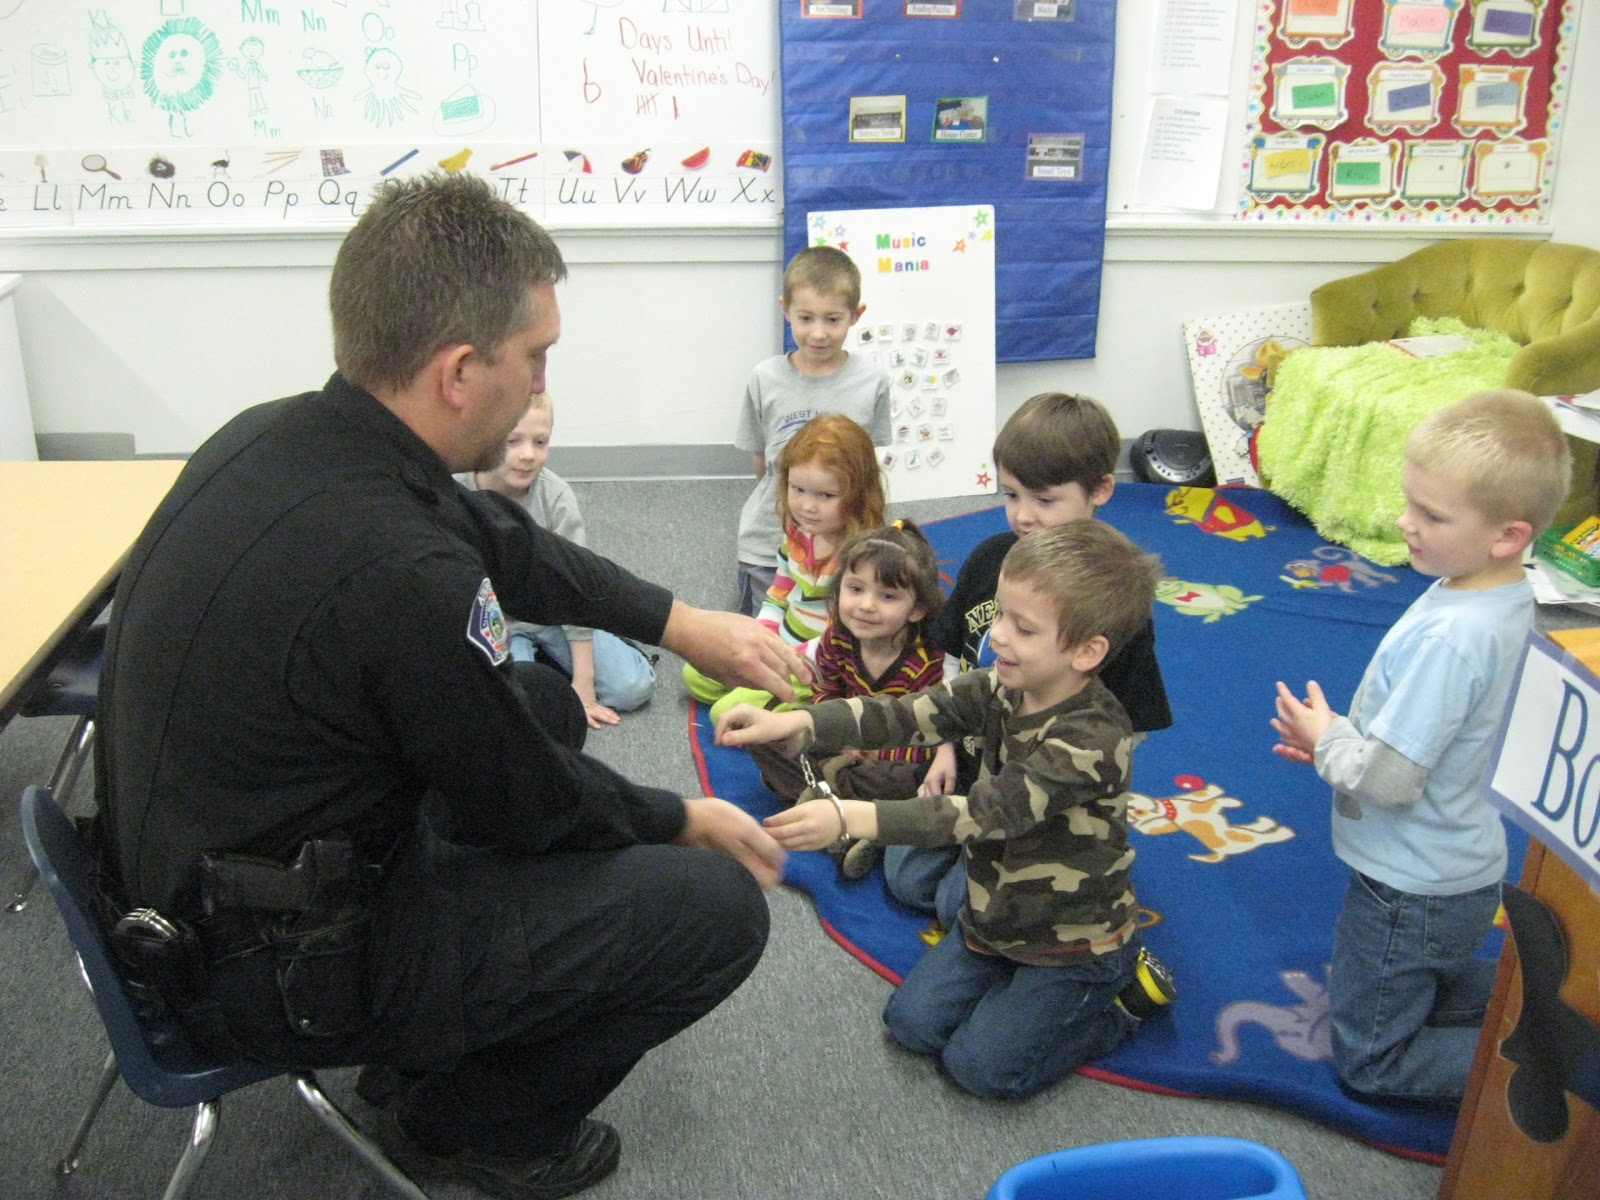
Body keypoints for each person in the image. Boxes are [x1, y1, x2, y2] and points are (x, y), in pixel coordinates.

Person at [93, 172, 807, 1200]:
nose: (542, 378)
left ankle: (447, 1041)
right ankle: (466, 1125)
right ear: (462, 371)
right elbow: (527, 804)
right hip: (270, 968)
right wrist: (677, 816)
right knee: (710, 909)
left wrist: (679, 621)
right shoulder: (394, 573)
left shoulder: (282, 432)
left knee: (551, 704)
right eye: (537, 356)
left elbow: (502, 543)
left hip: (190, 873)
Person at [717, 522, 1176, 1099]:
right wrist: (801, 722)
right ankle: (1017, 992)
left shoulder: (1092, 740)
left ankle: (1123, 999)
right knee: (908, 1026)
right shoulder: (1002, 684)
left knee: (979, 1070)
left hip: (1072, 943)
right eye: (1001, 617)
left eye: (1023, 628)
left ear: (1087, 651)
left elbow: (982, 813)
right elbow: (907, 714)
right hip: (993, 914)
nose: (999, 638)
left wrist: (848, 818)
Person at [1272, 389, 1571, 1107]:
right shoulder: (1493, 591)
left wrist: (1327, 741)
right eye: (1411, 503)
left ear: (1507, 535)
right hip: (1455, 870)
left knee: (1372, 1056)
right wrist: (1339, 740)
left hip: (1410, 885)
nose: (1405, 525)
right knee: (1405, 973)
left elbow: (1391, 782)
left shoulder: (1454, 639)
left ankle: (1541, 1057)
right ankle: (1507, 1004)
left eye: (1432, 516)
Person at [886, 392, 1173, 929]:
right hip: (973, 769)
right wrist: (944, 748)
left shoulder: (1114, 601)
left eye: (1045, 500)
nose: (1023, 516)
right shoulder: (992, 557)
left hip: (1044, 800)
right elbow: (954, 658)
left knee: (957, 905)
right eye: (1011, 494)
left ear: (1100, 491)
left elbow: (1129, 730)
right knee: (905, 875)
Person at [745, 519, 945, 878]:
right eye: (856, 589)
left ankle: (840, 811)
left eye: (888, 596)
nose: (866, 606)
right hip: (842, 744)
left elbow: (927, 733)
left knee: (908, 782)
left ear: (916, 609)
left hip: (889, 761)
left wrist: (875, 753)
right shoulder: (837, 637)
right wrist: (836, 736)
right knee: (769, 727)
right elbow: (826, 691)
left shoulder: (924, 662)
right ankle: (841, 808)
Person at [457, 391, 657, 727]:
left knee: (634, 687)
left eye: (540, 442)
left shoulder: (556, 498)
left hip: (555, 615)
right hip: (496, 626)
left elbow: (576, 588)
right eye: (513, 441)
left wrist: (583, 682)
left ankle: (564, 658)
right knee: (515, 713)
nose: (527, 455)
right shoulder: (456, 493)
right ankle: (539, 663)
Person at [734, 245, 892, 617]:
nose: (818, 333)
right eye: (805, 318)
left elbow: (867, 466)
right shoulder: (765, 378)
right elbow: (763, 462)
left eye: (832, 319)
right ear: (784, 308)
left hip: (845, 542)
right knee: (763, 639)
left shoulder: (872, 382)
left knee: (834, 635)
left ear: (856, 315)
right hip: (767, 541)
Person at [686, 412, 885, 704]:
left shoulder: (863, 558)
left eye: (825, 496)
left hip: (822, 662)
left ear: (859, 494)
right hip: (786, 645)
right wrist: (764, 638)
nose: (807, 506)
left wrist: (785, 661)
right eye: (797, 489)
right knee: (694, 674)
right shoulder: (797, 534)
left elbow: (845, 638)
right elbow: (778, 595)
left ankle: (801, 712)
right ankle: (763, 697)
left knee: (727, 711)